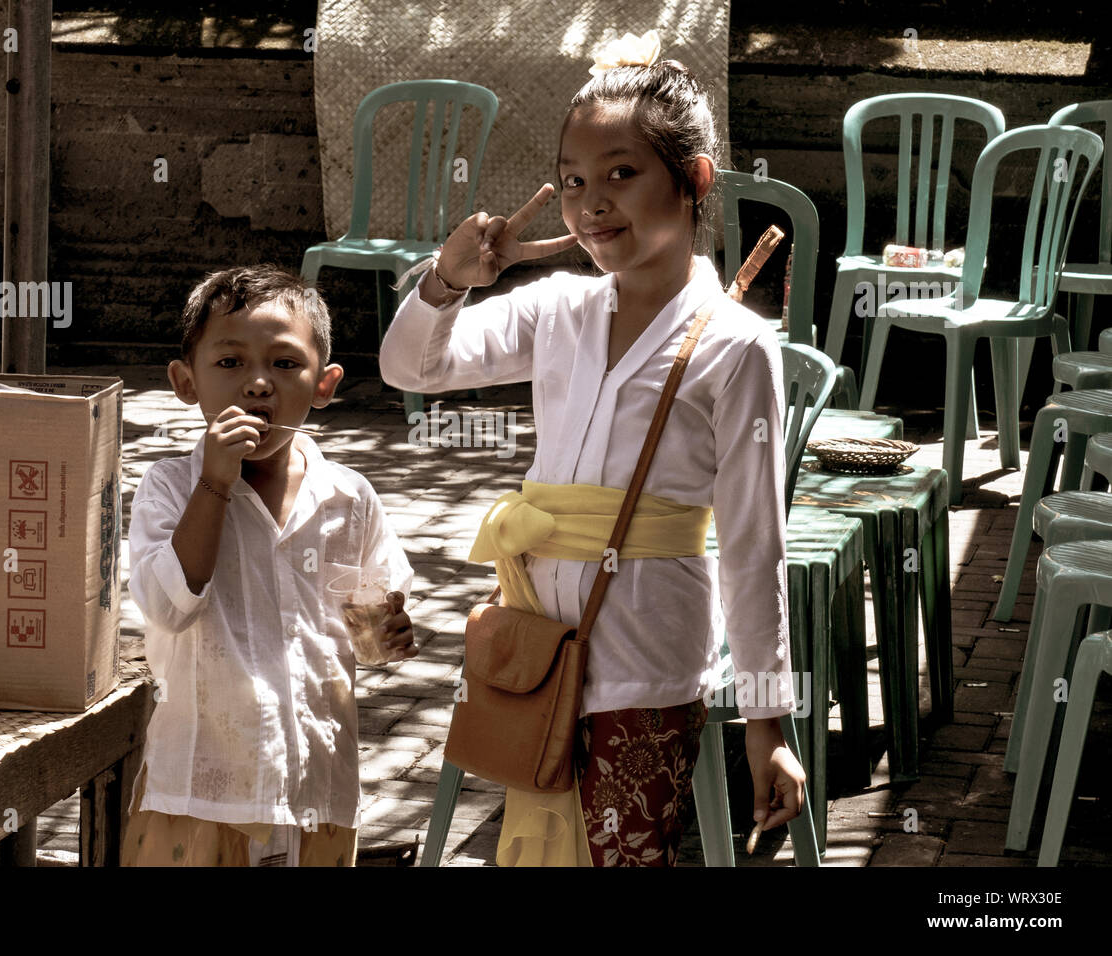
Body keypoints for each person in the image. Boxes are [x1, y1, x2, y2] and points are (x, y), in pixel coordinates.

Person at [379, 35, 806, 866]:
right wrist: (449, 278)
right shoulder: (558, 311)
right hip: (536, 643)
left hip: (648, 655)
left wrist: (768, 723)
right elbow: (411, 366)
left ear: (694, 180)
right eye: (573, 180)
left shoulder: (737, 346)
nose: (591, 203)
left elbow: (755, 545)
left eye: (621, 173)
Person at [122, 264, 416, 867]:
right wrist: (214, 484)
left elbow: (371, 632)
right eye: (230, 363)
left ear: (325, 384)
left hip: (317, 794)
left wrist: (387, 634)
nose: (259, 385)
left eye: (284, 364)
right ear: (185, 382)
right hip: (202, 797)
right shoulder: (171, 488)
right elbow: (168, 606)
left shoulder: (348, 498)